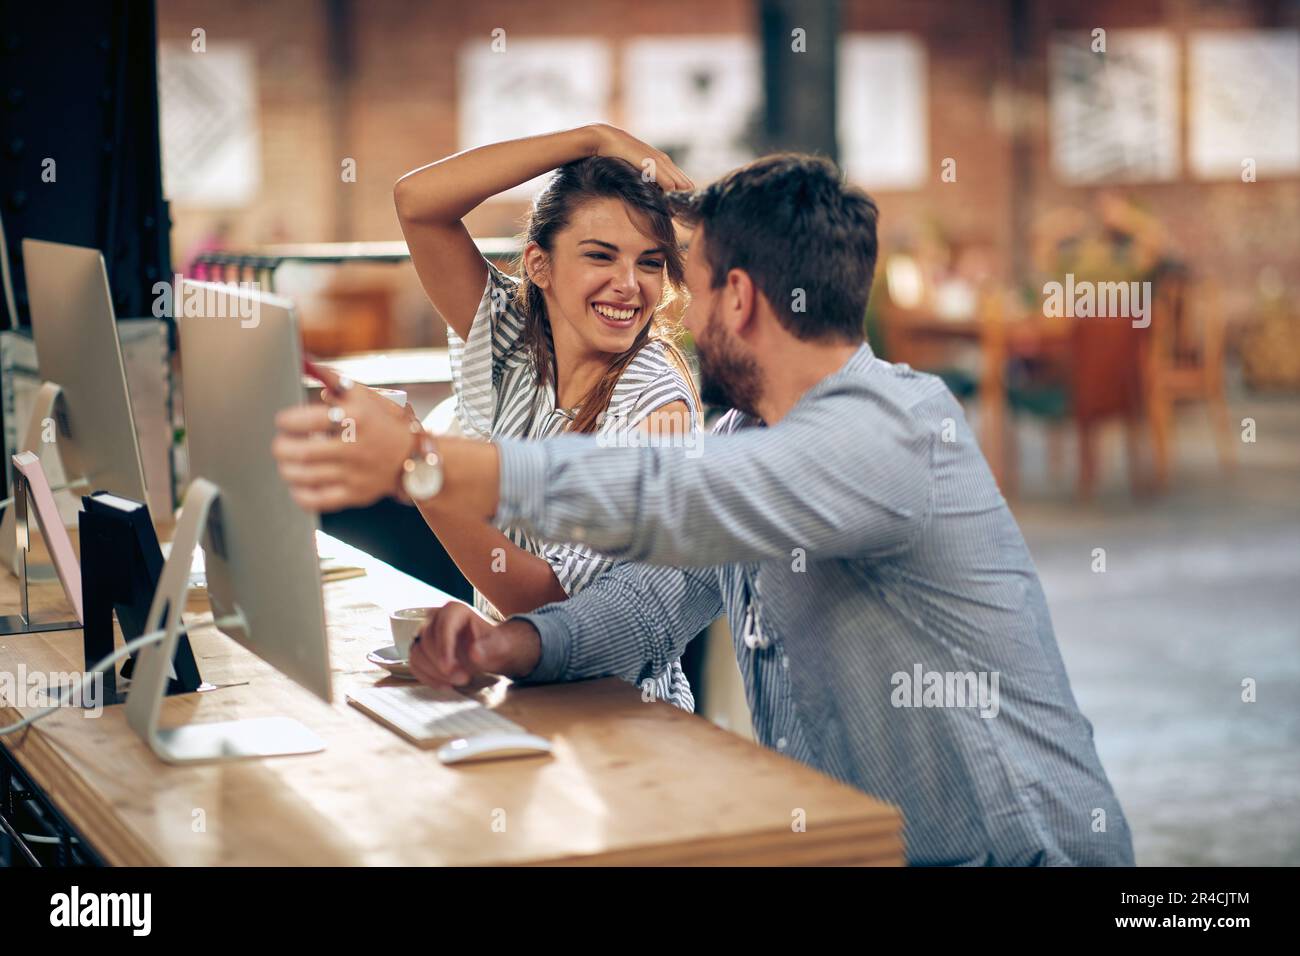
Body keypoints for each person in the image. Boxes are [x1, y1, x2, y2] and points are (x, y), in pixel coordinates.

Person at [273, 151, 1135, 866]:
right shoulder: (743, 432)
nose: (667, 308)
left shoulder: (895, 432)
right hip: (863, 850)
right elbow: (649, 602)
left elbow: (669, 496)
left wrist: (423, 463)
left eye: (684, 278)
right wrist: (511, 645)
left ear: (742, 298)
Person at [392, 125, 702, 709]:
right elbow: (418, 203)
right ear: (539, 265)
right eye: (600, 256)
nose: (629, 286)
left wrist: (419, 471)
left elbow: (554, 609)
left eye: (650, 262)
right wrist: (591, 139)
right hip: (518, 701)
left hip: (622, 723)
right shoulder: (515, 340)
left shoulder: (655, 403)